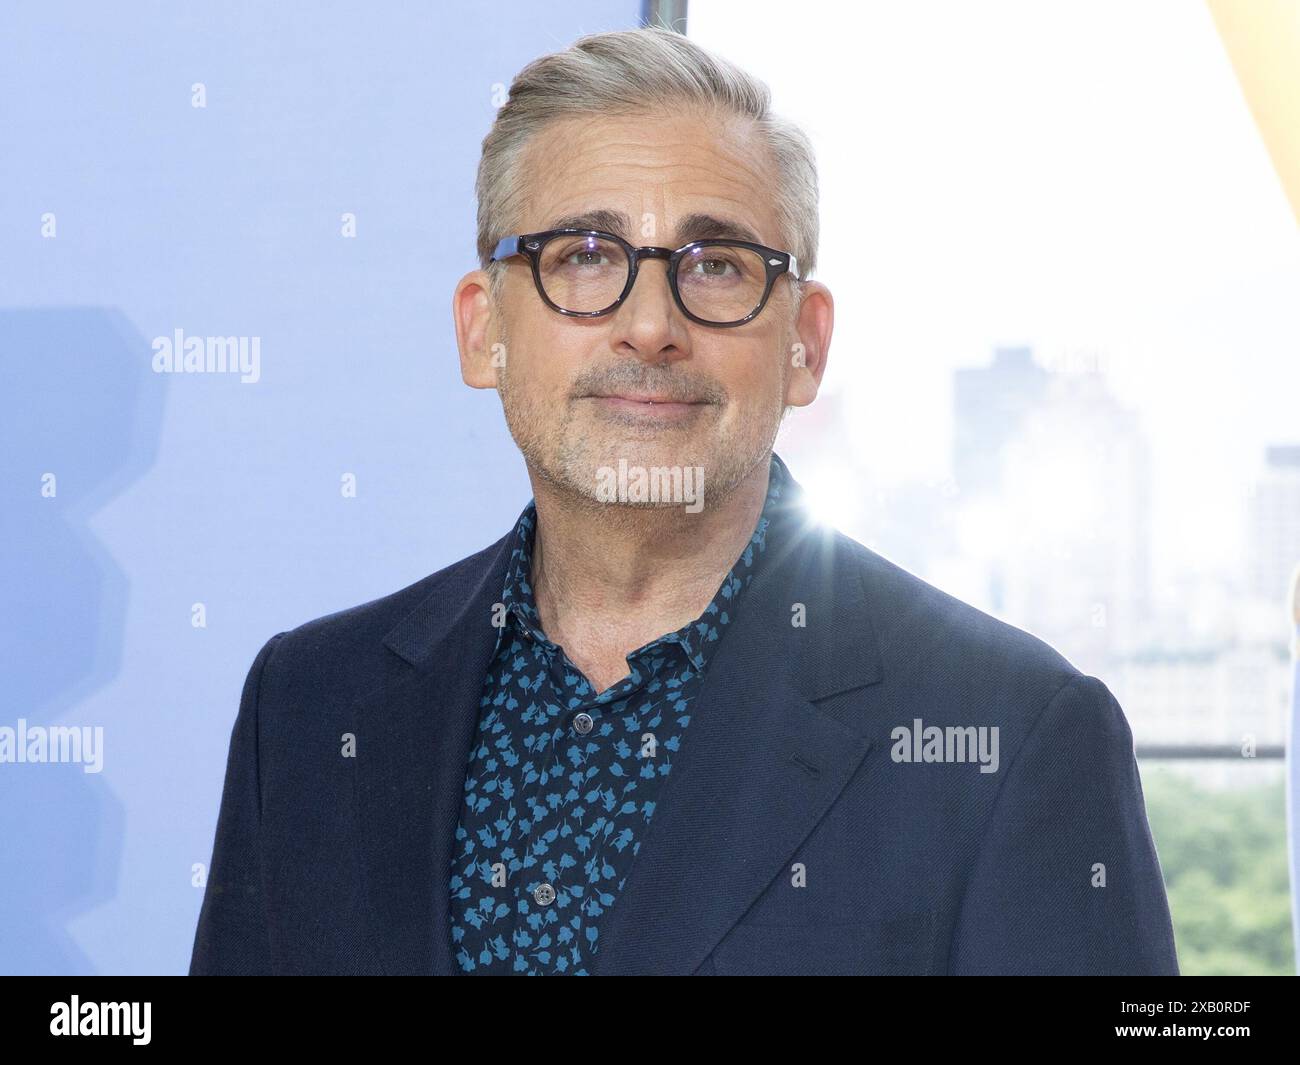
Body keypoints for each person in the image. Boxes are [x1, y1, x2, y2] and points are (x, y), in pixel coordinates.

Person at [190, 25, 1178, 976]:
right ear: (482, 329)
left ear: (805, 343)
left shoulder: (1011, 736)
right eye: (583, 256)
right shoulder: (310, 706)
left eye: (716, 266)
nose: (651, 324)